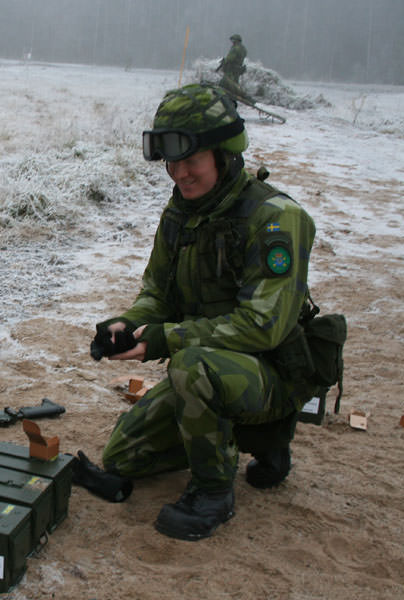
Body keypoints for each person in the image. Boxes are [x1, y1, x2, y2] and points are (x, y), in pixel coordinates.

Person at [73, 83, 317, 541]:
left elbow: (262, 326)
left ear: (223, 156)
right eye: (171, 162)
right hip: (210, 370)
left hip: (272, 374)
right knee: (125, 457)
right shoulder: (182, 212)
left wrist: (168, 338)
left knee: (190, 364)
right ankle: (243, 438)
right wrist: (132, 324)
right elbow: (157, 294)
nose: (179, 174)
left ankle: (214, 491)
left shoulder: (275, 218)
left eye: (191, 161)